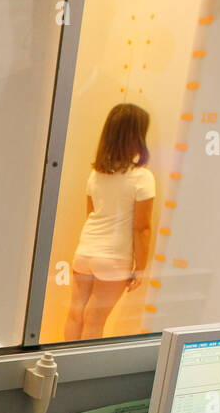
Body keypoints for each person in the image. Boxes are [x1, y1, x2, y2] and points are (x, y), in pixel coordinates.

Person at [64, 104, 155, 341]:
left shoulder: (96, 174)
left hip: (85, 252)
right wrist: (141, 268)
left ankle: (63, 368)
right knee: (95, 321)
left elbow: (90, 214)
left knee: (75, 314)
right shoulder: (142, 177)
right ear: (135, 137)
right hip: (114, 257)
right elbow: (142, 227)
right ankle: (82, 375)